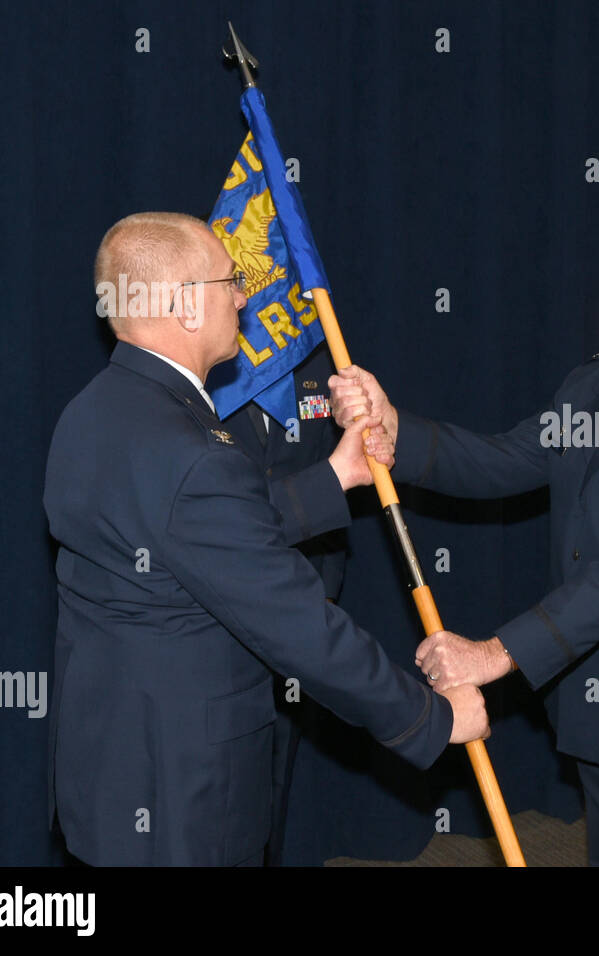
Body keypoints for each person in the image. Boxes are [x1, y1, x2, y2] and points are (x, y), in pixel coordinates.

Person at [44, 211, 487, 866]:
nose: (245, 296)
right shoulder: (192, 454)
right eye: (232, 280)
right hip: (181, 793)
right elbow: (300, 627)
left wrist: (335, 478)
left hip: (109, 765)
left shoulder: (90, 412)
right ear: (188, 308)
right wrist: (434, 718)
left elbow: (191, 542)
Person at [332, 226, 599, 866]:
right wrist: (395, 425)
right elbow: (504, 461)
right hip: (593, 694)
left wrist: (495, 655)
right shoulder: (592, 388)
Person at [218, 341, 347, 866]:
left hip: (299, 603)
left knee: (278, 767)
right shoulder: (201, 365)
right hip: (220, 609)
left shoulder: (311, 356)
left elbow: (331, 474)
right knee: (223, 777)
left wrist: (325, 592)